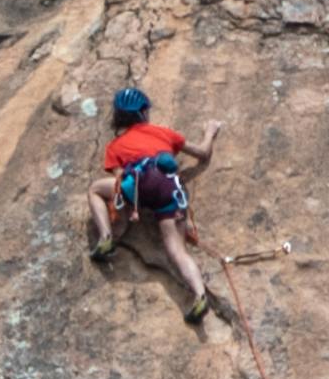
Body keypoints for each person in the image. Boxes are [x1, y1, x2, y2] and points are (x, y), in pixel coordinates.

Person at [90, 85, 228, 323]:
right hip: (168, 186)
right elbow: (203, 153)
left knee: (95, 189)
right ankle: (199, 294)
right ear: (144, 112)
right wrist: (210, 132)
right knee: (176, 250)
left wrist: (125, 213)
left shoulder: (114, 146)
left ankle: (106, 237)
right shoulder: (162, 133)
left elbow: (120, 181)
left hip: (138, 183)